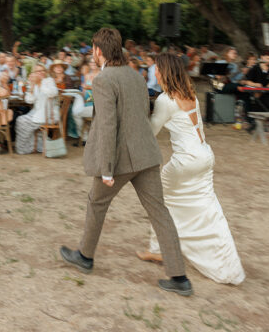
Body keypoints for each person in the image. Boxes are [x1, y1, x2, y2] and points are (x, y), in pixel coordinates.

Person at [60, 27, 193, 297]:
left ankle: (85, 257)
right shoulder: (136, 76)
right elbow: (142, 113)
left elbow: (108, 125)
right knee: (159, 212)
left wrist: (106, 167)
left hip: (121, 160)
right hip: (146, 155)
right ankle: (179, 277)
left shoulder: (103, 79)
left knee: (96, 203)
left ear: (97, 51)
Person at [135, 53, 245, 285]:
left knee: (159, 201)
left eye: (157, 69)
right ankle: (228, 266)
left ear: (164, 72)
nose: (154, 72)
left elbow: (150, 133)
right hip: (205, 157)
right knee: (209, 211)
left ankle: (159, 249)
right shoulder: (189, 94)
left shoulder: (166, 100)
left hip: (185, 161)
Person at [14, 64, 59, 154]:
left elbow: (53, 93)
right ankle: (31, 146)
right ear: (34, 73)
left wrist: (40, 83)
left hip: (49, 115)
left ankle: (23, 148)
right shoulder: (35, 84)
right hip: (37, 114)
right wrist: (32, 86)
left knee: (21, 121)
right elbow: (29, 100)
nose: (41, 72)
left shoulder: (48, 81)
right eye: (38, 71)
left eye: (43, 70)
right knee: (21, 120)